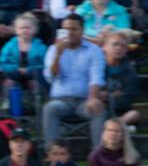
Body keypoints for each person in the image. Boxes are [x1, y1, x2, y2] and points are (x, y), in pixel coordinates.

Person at [42, 15, 107, 146]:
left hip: (85, 100)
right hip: (61, 101)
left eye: (73, 29)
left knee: (98, 109)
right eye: (66, 29)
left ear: (82, 31)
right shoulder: (53, 50)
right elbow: (52, 77)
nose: (70, 33)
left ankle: (99, 155)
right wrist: (58, 54)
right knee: (49, 109)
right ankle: (52, 155)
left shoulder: (94, 51)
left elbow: (96, 77)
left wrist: (93, 97)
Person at [0, 12, 48, 117]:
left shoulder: (41, 47)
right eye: (21, 28)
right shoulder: (9, 46)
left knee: (36, 84)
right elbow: (3, 63)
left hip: (33, 75)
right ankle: (11, 110)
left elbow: (45, 65)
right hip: (14, 74)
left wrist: (29, 70)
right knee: (9, 84)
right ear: (16, 30)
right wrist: (16, 69)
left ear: (34, 29)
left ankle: (36, 110)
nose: (24, 30)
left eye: (27, 28)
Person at [102, 29, 141, 128]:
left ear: (126, 50)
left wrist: (108, 97)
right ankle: (118, 127)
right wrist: (115, 95)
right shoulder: (96, 67)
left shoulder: (130, 72)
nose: (118, 48)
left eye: (123, 46)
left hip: (121, 113)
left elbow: (127, 99)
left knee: (134, 114)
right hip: (100, 110)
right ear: (105, 47)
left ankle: (114, 126)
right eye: (115, 44)